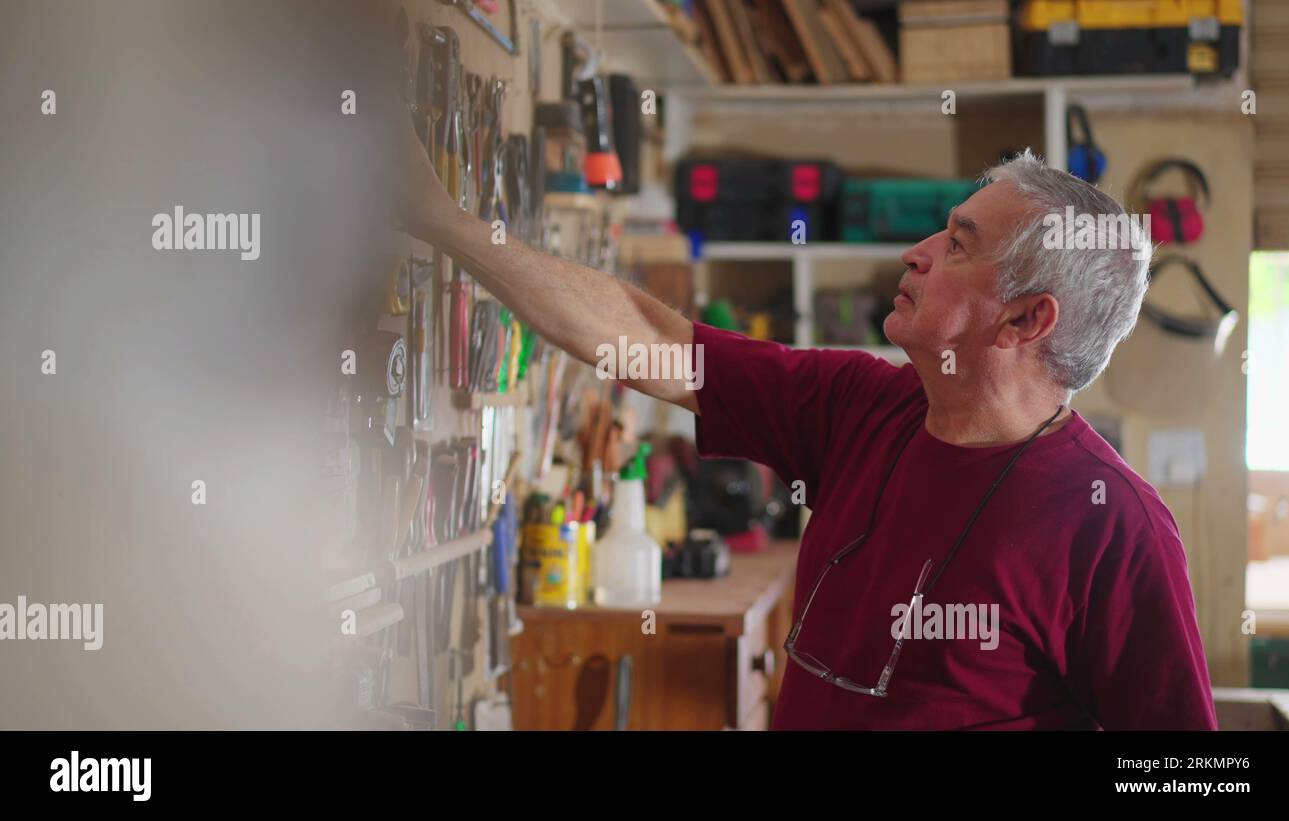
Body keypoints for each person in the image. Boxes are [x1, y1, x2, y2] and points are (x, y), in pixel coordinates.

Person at [399, 126, 1217, 729]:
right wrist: (443, 221)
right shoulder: (860, 405)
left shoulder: (1113, 526)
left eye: (958, 245)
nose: (916, 252)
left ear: (1027, 318)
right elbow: (649, 341)